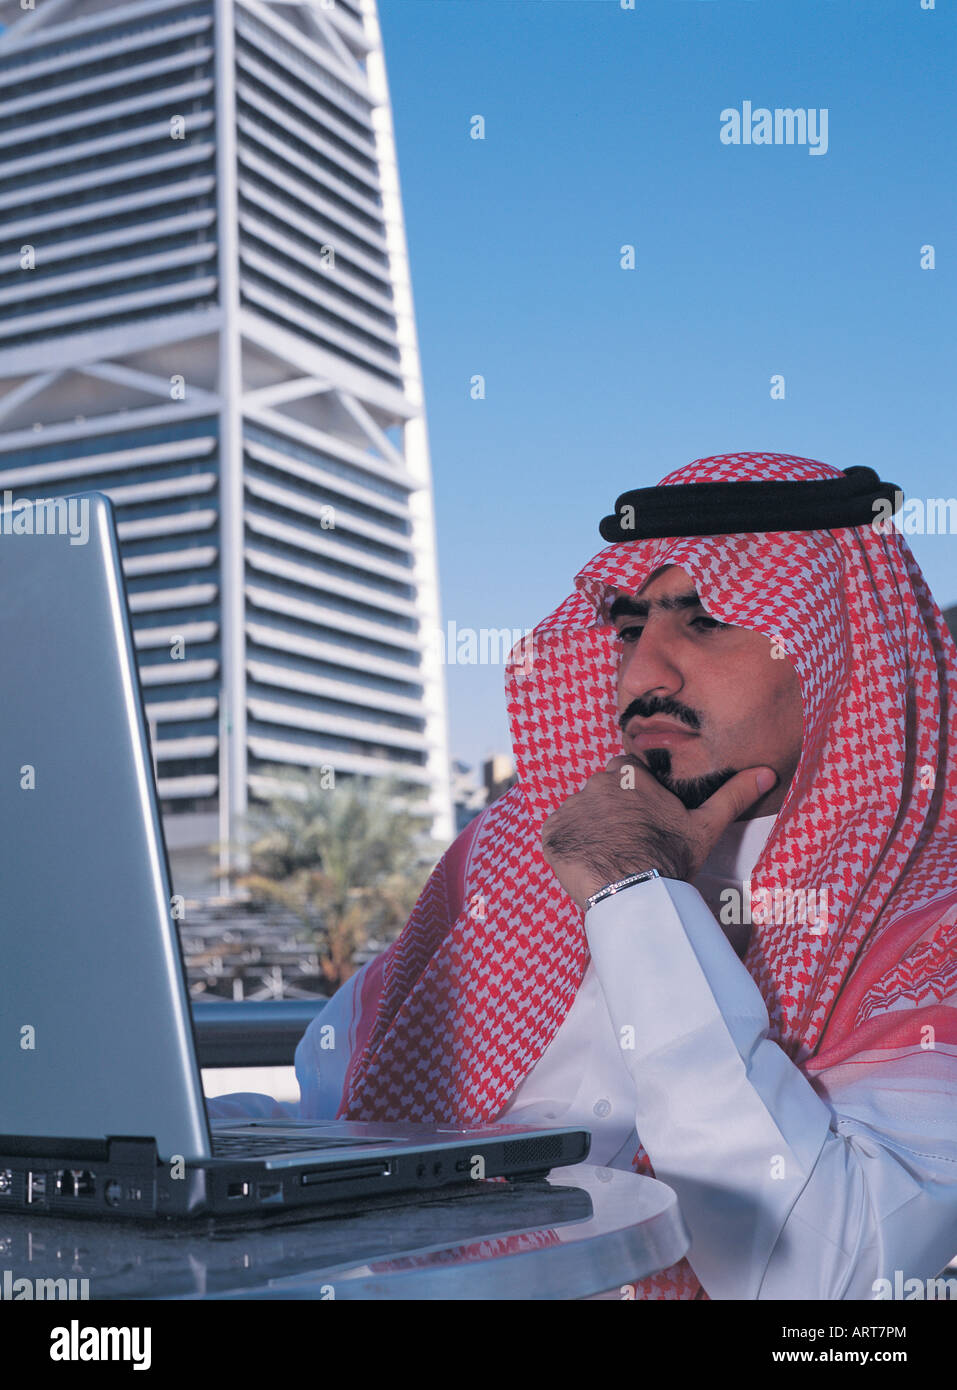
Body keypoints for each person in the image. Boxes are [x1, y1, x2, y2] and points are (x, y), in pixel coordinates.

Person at [210, 452, 957, 1300]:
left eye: (704, 622)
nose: (640, 674)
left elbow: (820, 1271)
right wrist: (153, 1140)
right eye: (630, 627)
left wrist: (634, 894)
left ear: (838, 647)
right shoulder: (511, 851)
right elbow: (336, 1124)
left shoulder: (932, 910)